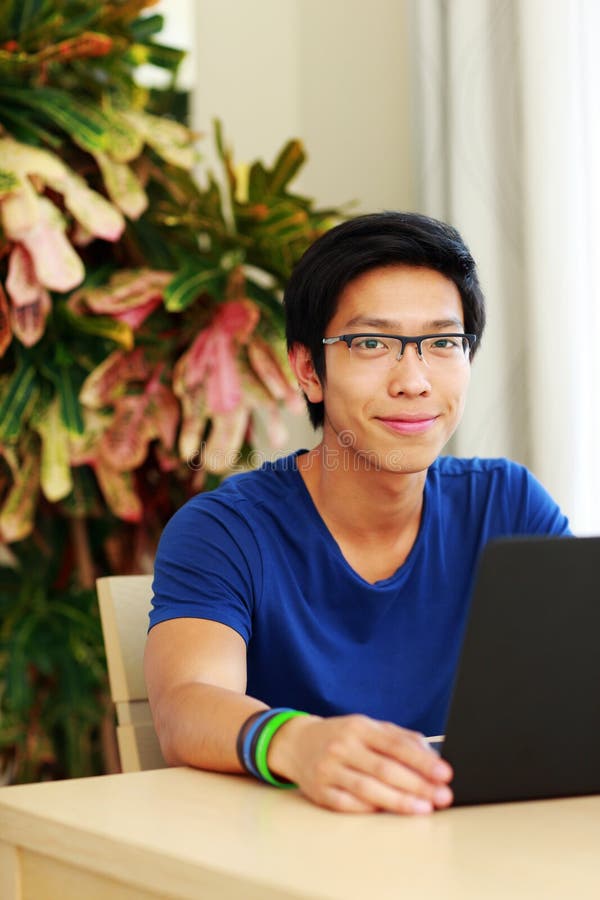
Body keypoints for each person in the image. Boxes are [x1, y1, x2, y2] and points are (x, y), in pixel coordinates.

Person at [145, 212, 570, 815]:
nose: (414, 380)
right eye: (372, 343)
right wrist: (298, 742)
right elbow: (186, 703)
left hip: (476, 847)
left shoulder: (508, 504)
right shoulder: (224, 530)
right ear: (308, 370)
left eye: (443, 343)